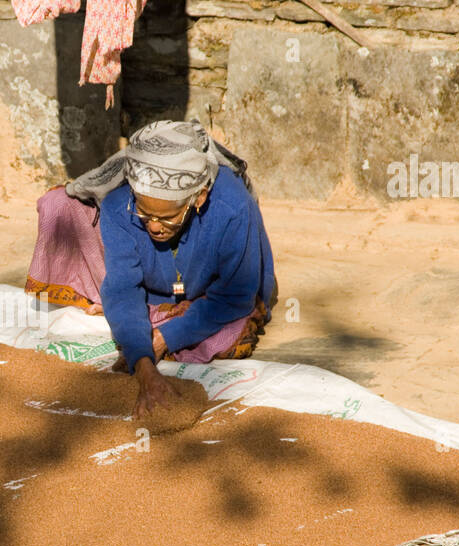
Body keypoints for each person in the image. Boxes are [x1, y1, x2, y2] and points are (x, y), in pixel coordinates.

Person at [25, 119, 278, 420]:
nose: (155, 227)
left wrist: (163, 339)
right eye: (145, 214)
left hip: (213, 292)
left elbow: (234, 296)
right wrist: (142, 361)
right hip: (159, 283)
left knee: (231, 326)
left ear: (198, 198)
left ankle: (159, 316)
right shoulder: (121, 203)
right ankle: (147, 315)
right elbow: (122, 287)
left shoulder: (232, 206)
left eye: (168, 217)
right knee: (61, 208)